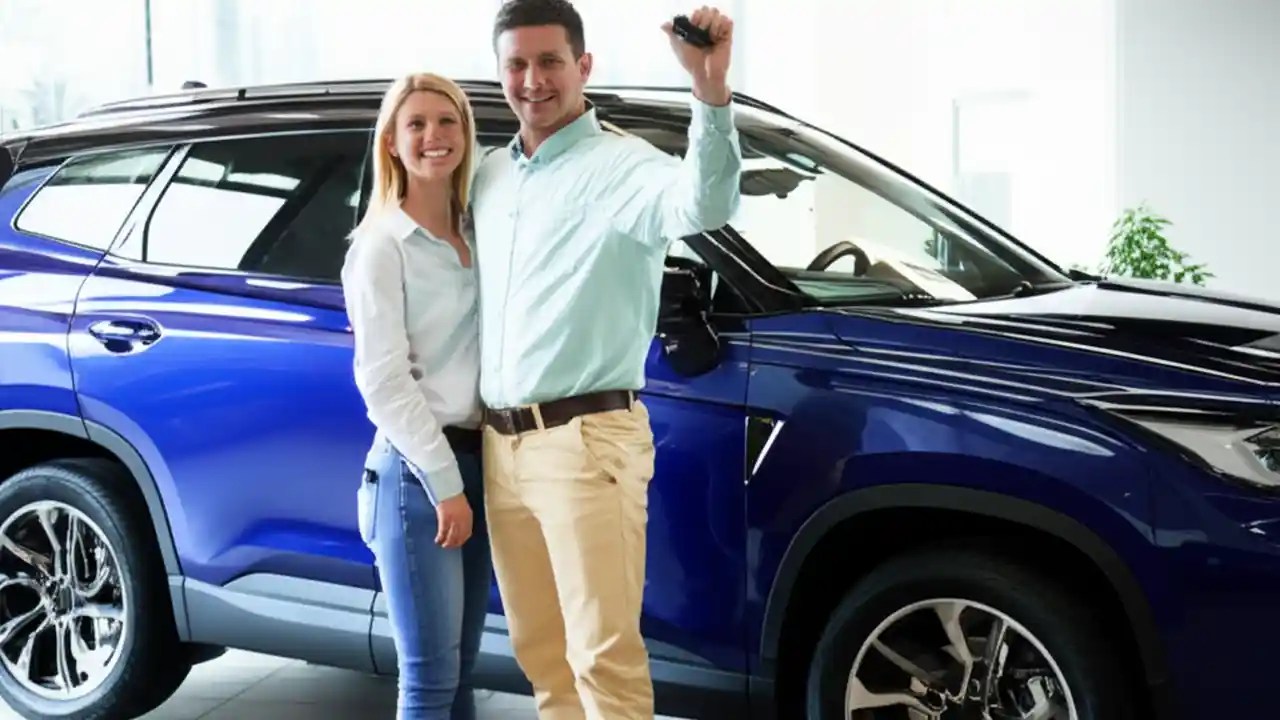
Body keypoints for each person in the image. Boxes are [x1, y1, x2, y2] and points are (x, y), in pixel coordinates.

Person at [469, 2, 742, 718]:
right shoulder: (490, 178)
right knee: (540, 654)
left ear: (583, 66)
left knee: (602, 656)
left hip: (585, 445)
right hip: (502, 446)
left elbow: (704, 203)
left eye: (550, 62)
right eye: (517, 65)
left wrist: (709, 92)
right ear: (501, 74)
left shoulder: (622, 167)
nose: (533, 80)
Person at [341, 72, 492, 720]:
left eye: (447, 121)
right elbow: (381, 380)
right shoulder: (380, 247)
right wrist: (444, 482)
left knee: (460, 677)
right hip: (418, 477)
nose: (435, 136)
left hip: (484, 464)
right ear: (393, 145)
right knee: (429, 682)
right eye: (417, 125)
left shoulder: (480, 233)